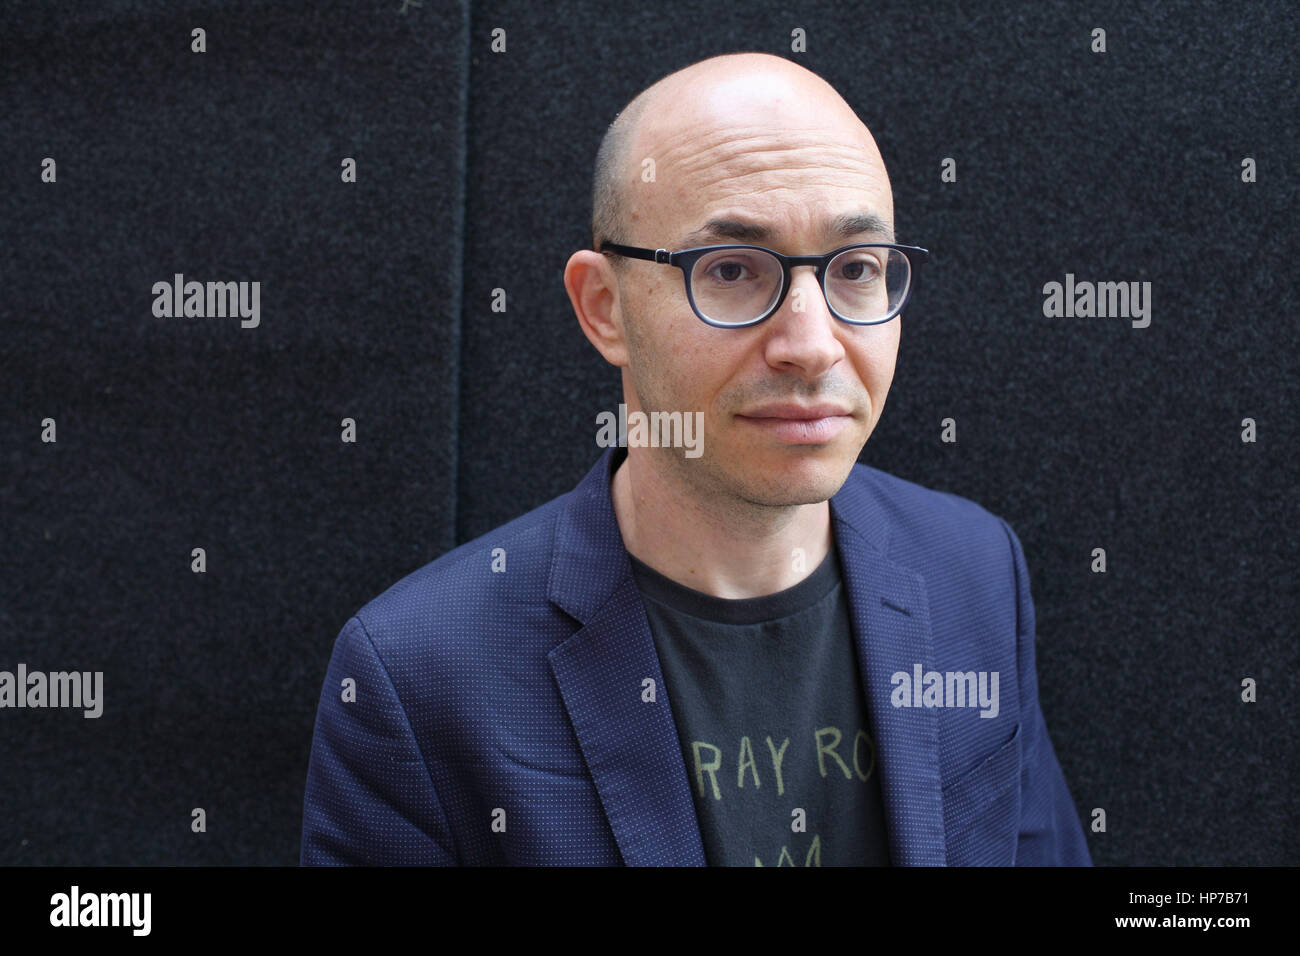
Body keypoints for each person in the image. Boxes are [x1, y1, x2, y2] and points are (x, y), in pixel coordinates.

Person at [300, 51, 1091, 866]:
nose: (812, 345)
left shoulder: (975, 570)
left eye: (856, 269)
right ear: (603, 308)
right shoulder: (417, 678)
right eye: (733, 272)